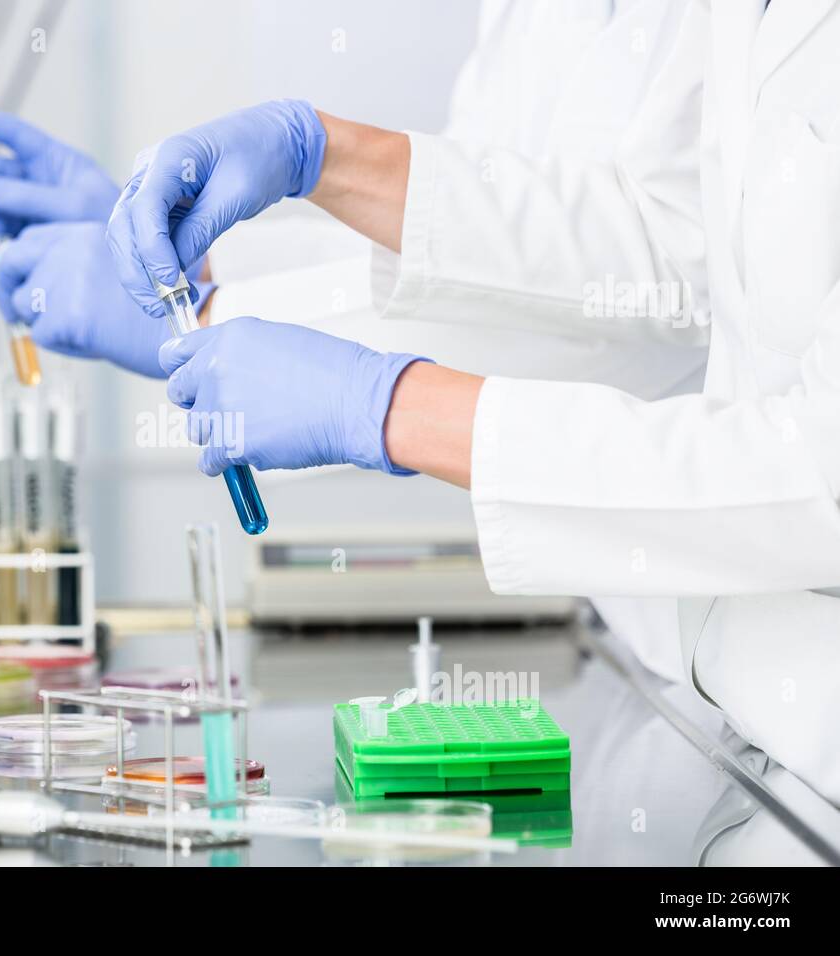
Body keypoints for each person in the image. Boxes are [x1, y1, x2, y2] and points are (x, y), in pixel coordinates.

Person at [105, 2, 840, 802]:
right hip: (736, 722)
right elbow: (661, 240)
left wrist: (386, 406)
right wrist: (318, 155)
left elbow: (821, 470)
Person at [0, 0, 703, 681]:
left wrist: (221, 304)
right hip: (630, 625)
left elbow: (647, 293)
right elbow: (477, 258)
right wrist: (200, 262)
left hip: (724, 617)